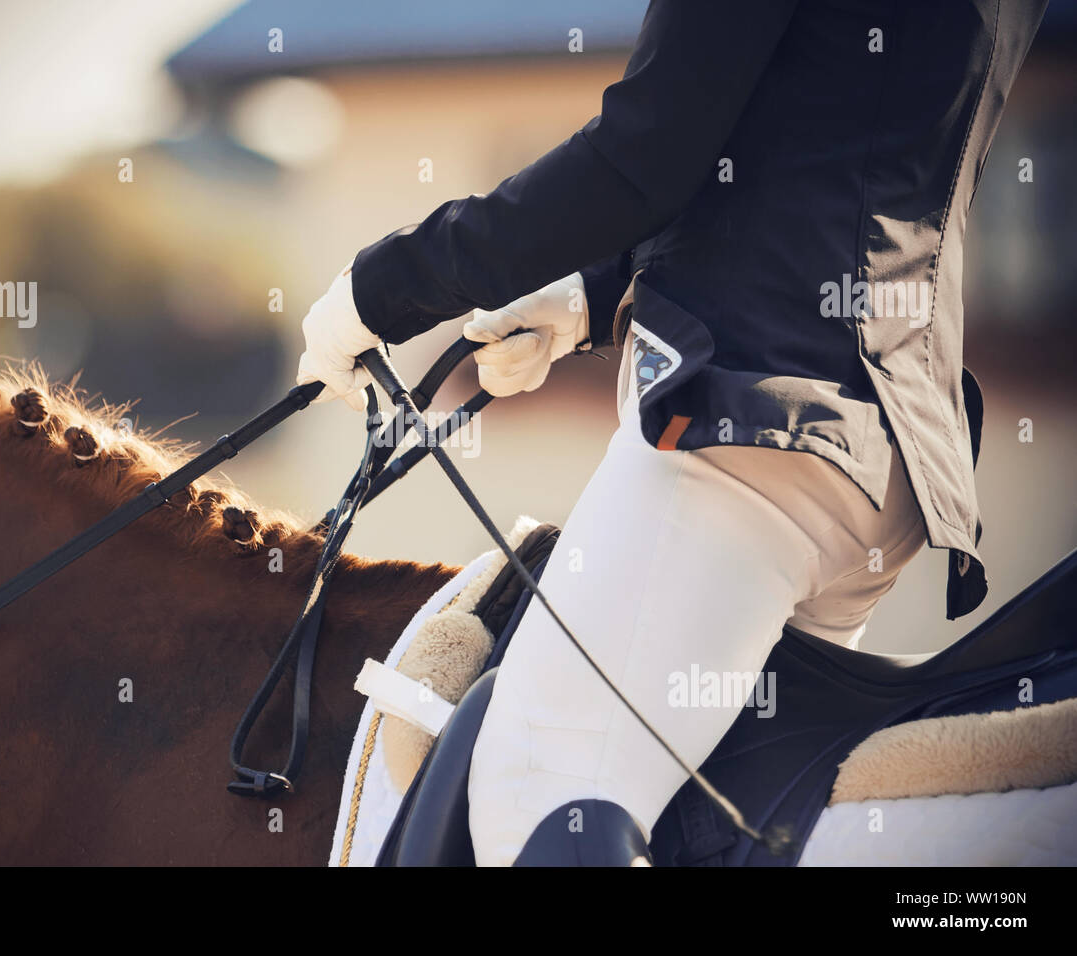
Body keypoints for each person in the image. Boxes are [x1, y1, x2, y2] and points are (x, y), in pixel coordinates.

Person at [296, 0, 1049, 866]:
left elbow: (642, 154)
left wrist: (382, 288)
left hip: (749, 449)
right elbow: (819, 144)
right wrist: (586, 296)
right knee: (702, 825)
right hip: (887, 466)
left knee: (539, 795)